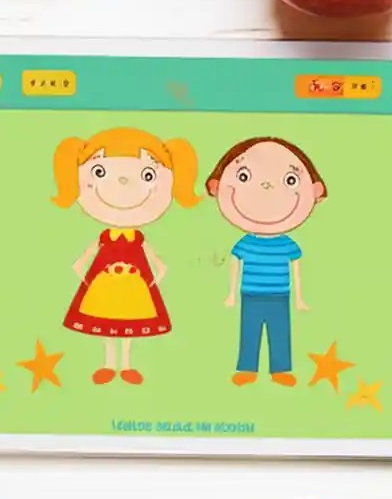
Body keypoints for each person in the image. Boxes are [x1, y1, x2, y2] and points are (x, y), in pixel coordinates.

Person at [52, 127, 200, 385]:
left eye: (147, 175)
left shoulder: (139, 239)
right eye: (100, 173)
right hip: (105, 287)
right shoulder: (105, 237)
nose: (122, 183)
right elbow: (81, 261)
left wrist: (155, 279)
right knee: (108, 328)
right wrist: (87, 281)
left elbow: (159, 263)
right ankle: (109, 365)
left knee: (129, 329)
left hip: (135, 288)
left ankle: (127, 366)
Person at [206, 137, 326, 387]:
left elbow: (296, 269)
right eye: (243, 177)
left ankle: (281, 369)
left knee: (280, 332)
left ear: (315, 191)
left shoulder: (288, 245)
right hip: (250, 293)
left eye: (290, 180)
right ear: (217, 186)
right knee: (249, 331)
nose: (267, 187)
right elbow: (235, 266)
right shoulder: (245, 244)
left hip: (280, 295)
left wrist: (300, 297)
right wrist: (231, 294)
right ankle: (246, 367)